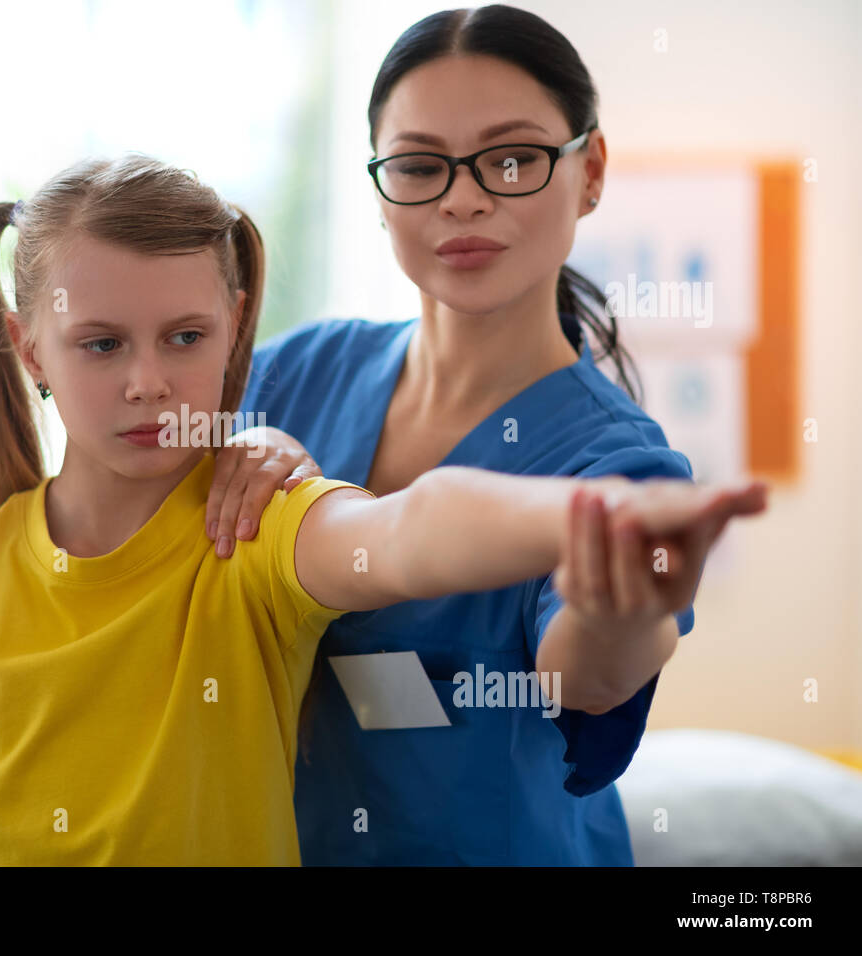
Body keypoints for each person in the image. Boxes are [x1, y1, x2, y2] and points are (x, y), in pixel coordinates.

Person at [0, 154, 764, 866]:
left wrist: (593, 518)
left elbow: (411, 530)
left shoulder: (255, 528)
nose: (147, 382)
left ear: (237, 327)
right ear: (27, 348)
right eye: (100, 343)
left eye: (186, 337)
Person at [210, 5, 737, 866]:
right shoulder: (283, 381)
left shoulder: (619, 467)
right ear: (379, 189)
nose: (463, 197)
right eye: (420, 166)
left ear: (591, 170)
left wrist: (620, 611)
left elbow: (590, 675)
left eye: (513, 159)